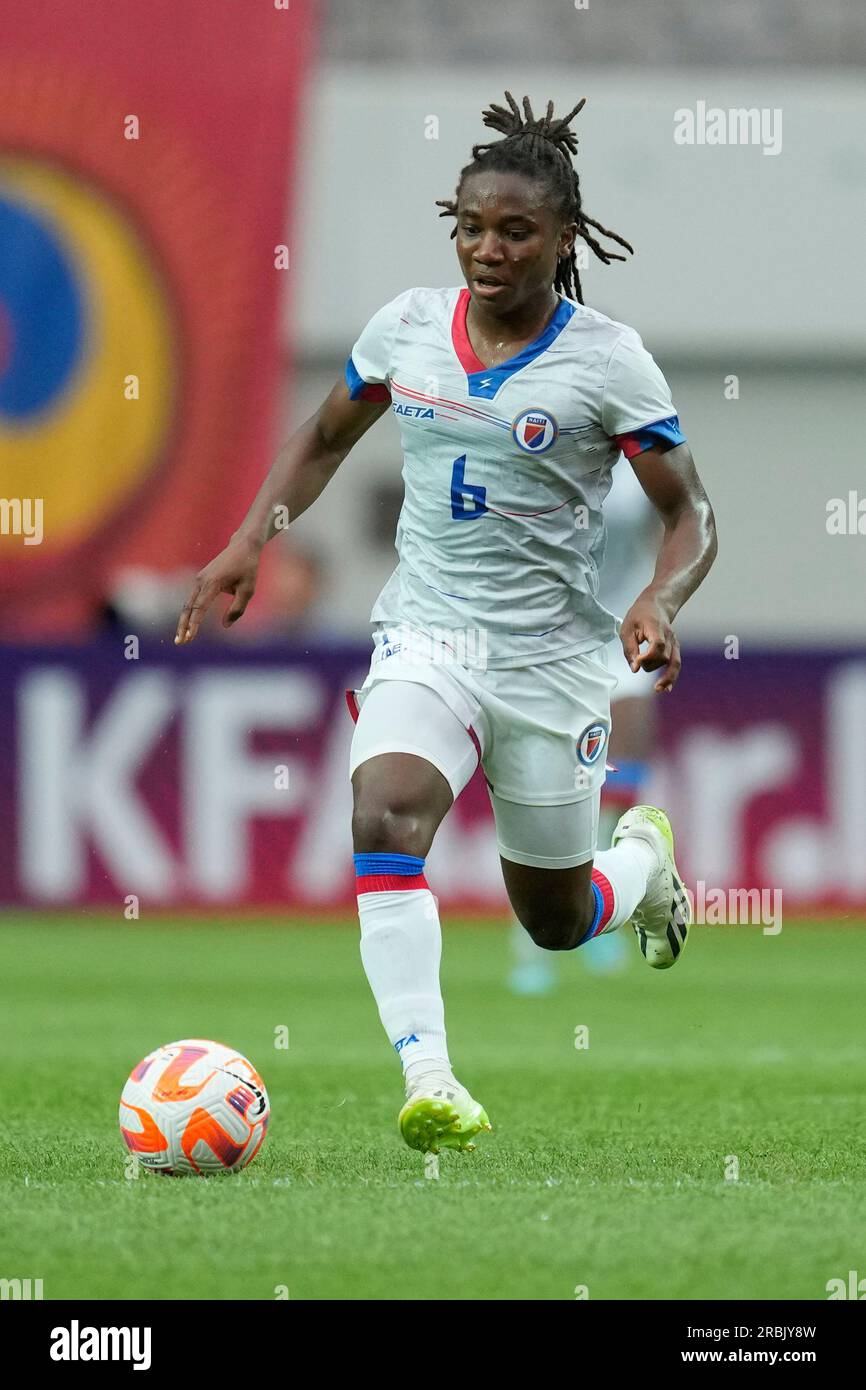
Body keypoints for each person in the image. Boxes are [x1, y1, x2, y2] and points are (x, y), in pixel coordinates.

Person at [176, 92, 718, 1157]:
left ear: (562, 238)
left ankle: (643, 868)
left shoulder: (607, 362)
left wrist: (656, 599)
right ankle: (430, 1078)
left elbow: (687, 512)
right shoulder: (407, 328)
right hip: (424, 636)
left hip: (553, 662)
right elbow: (324, 436)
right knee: (383, 813)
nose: (487, 247)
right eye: (470, 225)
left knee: (553, 920)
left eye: (515, 229)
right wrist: (251, 538)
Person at [508, 461, 661, 992]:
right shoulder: (549, 447)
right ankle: (529, 942)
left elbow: (678, 519)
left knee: (618, 787)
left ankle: (600, 914)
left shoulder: (642, 462)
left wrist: (661, 600)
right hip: (558, 638)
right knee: (546, 788)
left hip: (622, 634)